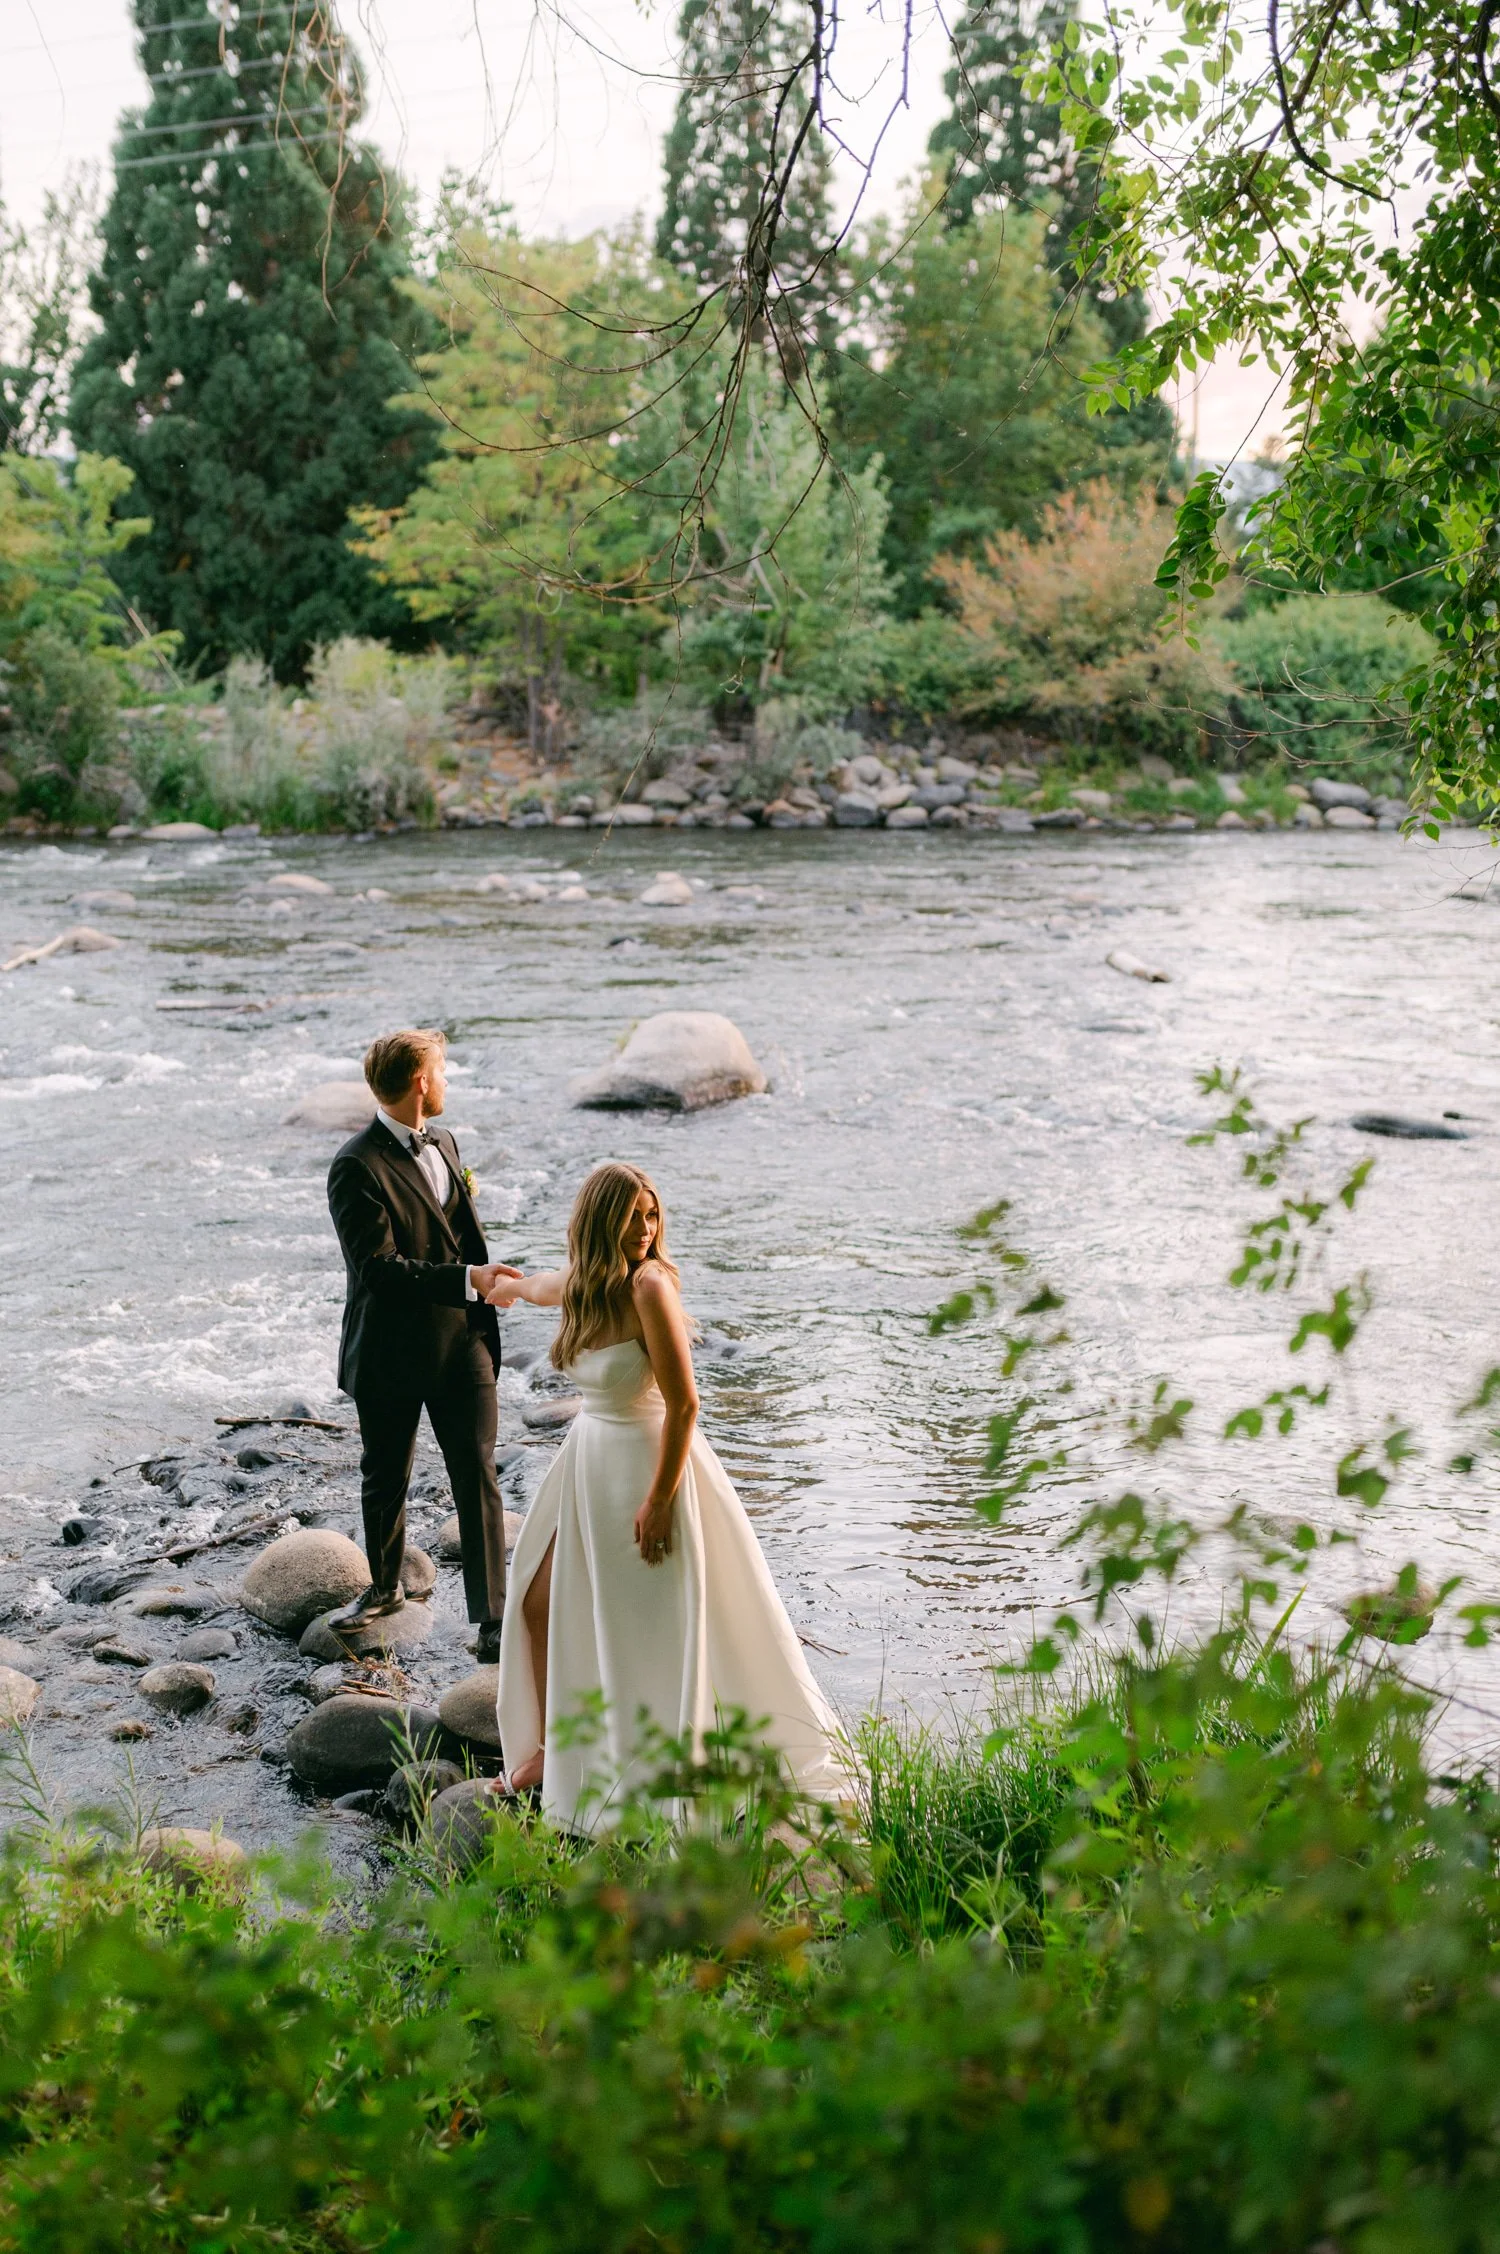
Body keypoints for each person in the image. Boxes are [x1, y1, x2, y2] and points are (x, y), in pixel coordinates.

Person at [487, 1162, 848, 1831]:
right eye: (632, 1217)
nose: (646, 1230)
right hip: (588, 1462)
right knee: (536, 1594)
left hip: (648, 1464)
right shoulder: (584, 1285)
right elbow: (535, 1286)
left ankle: (657, 1777)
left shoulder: (652, 1286)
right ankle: (548, 1752)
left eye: (652, 1216)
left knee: (648, 1626)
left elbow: (685, 1405)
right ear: (600, 1222)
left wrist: (659, 1500)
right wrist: (493, 1282)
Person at [326, 1028, 520, 1659]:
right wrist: (468, 1281)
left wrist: (483, 1288)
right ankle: (384, 1589)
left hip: (462, 1340)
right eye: (443, 1070)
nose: (447, 1080)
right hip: (390, 1350)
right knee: (386, 1475)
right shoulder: (356, 1165)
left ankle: (492, 1617)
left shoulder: (444, 1142)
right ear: (420, 1082)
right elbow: (377, 1269)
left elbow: (458, 1233)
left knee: (478, 1471)